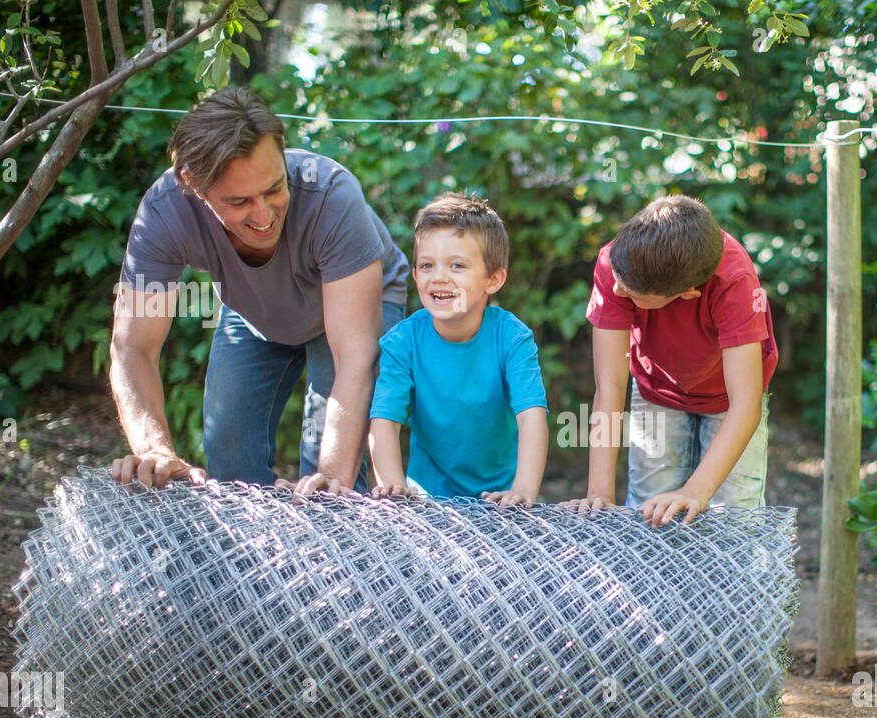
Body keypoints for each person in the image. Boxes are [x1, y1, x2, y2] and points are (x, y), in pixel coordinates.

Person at [108, 86, 410, 494]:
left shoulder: (332, 196)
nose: (264, 215)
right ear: (193, 186)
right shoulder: (162, 214)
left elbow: (356, 356)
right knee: (229, 458)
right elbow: (132, 346)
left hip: (353, 304)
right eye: (239, 202)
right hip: (253, 307)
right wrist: (154, 450)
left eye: (274, 189)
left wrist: (334, 478)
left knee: (327, 467)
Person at [562, 195, 778, 527]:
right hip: (657, 389)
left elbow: (745, 403)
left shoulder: (734, 282)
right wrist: (600, 491)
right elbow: (610, 385)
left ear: (688, 294)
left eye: (634, 296)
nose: (618, 291)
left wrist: (696, 492)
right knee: (650, 512)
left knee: (733, 519)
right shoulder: (617, 265)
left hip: (728, 400)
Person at [368, 193, 548, 505]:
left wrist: (524, 488)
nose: (438, 277)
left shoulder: (512, 338)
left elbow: (531, 416)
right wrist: (393, 484)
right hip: (427, 497)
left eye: (457, 265)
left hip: (501, 495)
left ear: (493, 279)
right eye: (426, 265)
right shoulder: (402, 342)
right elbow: (384, 419)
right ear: (414, 274)